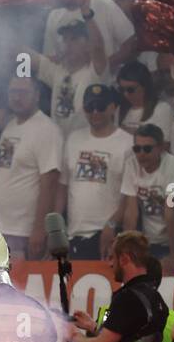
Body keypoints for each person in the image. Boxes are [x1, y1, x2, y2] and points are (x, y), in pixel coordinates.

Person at [67, 232, 172, 342]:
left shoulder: (127, 298)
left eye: (112, 258)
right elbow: (130, 337)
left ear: (124, 259)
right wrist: (93, 327)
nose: (110, 264)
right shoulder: (156, 299)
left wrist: (74, 335)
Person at [0, 76, 62, 260]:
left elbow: (50, 183)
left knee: (16, 287)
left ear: (36, 96)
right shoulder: (11, 126)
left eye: (23, 92)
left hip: (22, 231)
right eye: (13, 92)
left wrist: (39, 229)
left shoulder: (46, 129)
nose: (17, 97)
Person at [56, 84, 133, 259]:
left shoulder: (127, 143)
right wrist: (56, 229)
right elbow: (62, 187)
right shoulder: (73, 139)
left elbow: (130, 195)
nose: (95, 112)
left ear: (113, 107)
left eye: (101, 107)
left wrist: (113, 224)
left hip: (108, 233)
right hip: (74, 233)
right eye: (90, 107)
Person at [120, 124, 174, 271]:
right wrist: (126, 252)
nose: (141, 153)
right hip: (147, 241)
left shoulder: (172, 164)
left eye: (147, 149)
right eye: (137, 149)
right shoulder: (131, 164)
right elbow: (131, 213)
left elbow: (171, 210)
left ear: (160, 148)